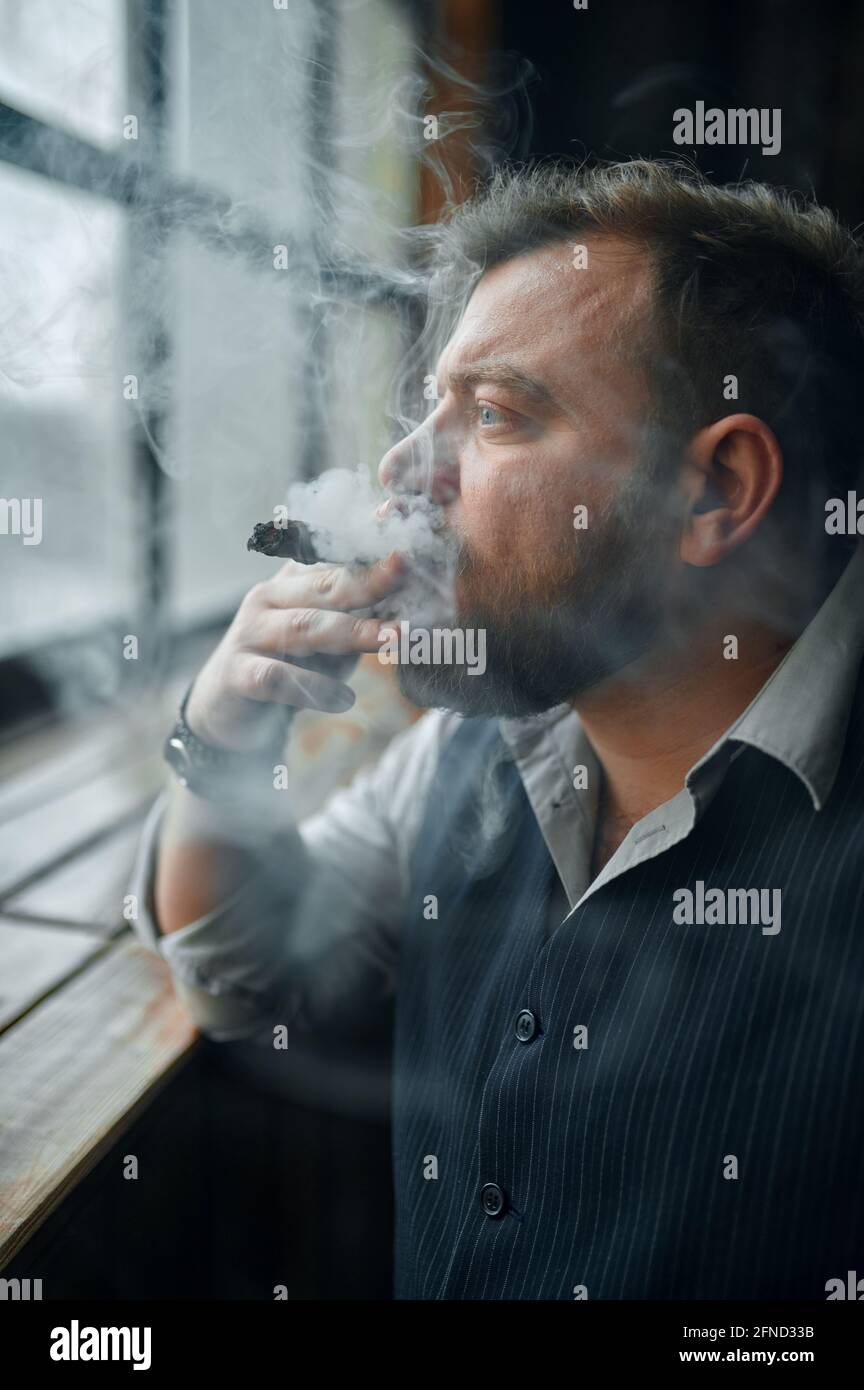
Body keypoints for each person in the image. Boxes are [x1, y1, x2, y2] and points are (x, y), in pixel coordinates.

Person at [128, 159, 864, 1300]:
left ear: (716, 492)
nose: (402, 470)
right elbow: (246, 974)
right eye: (432, 406)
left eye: (495, 413)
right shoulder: (476, 748)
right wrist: (222, 740)